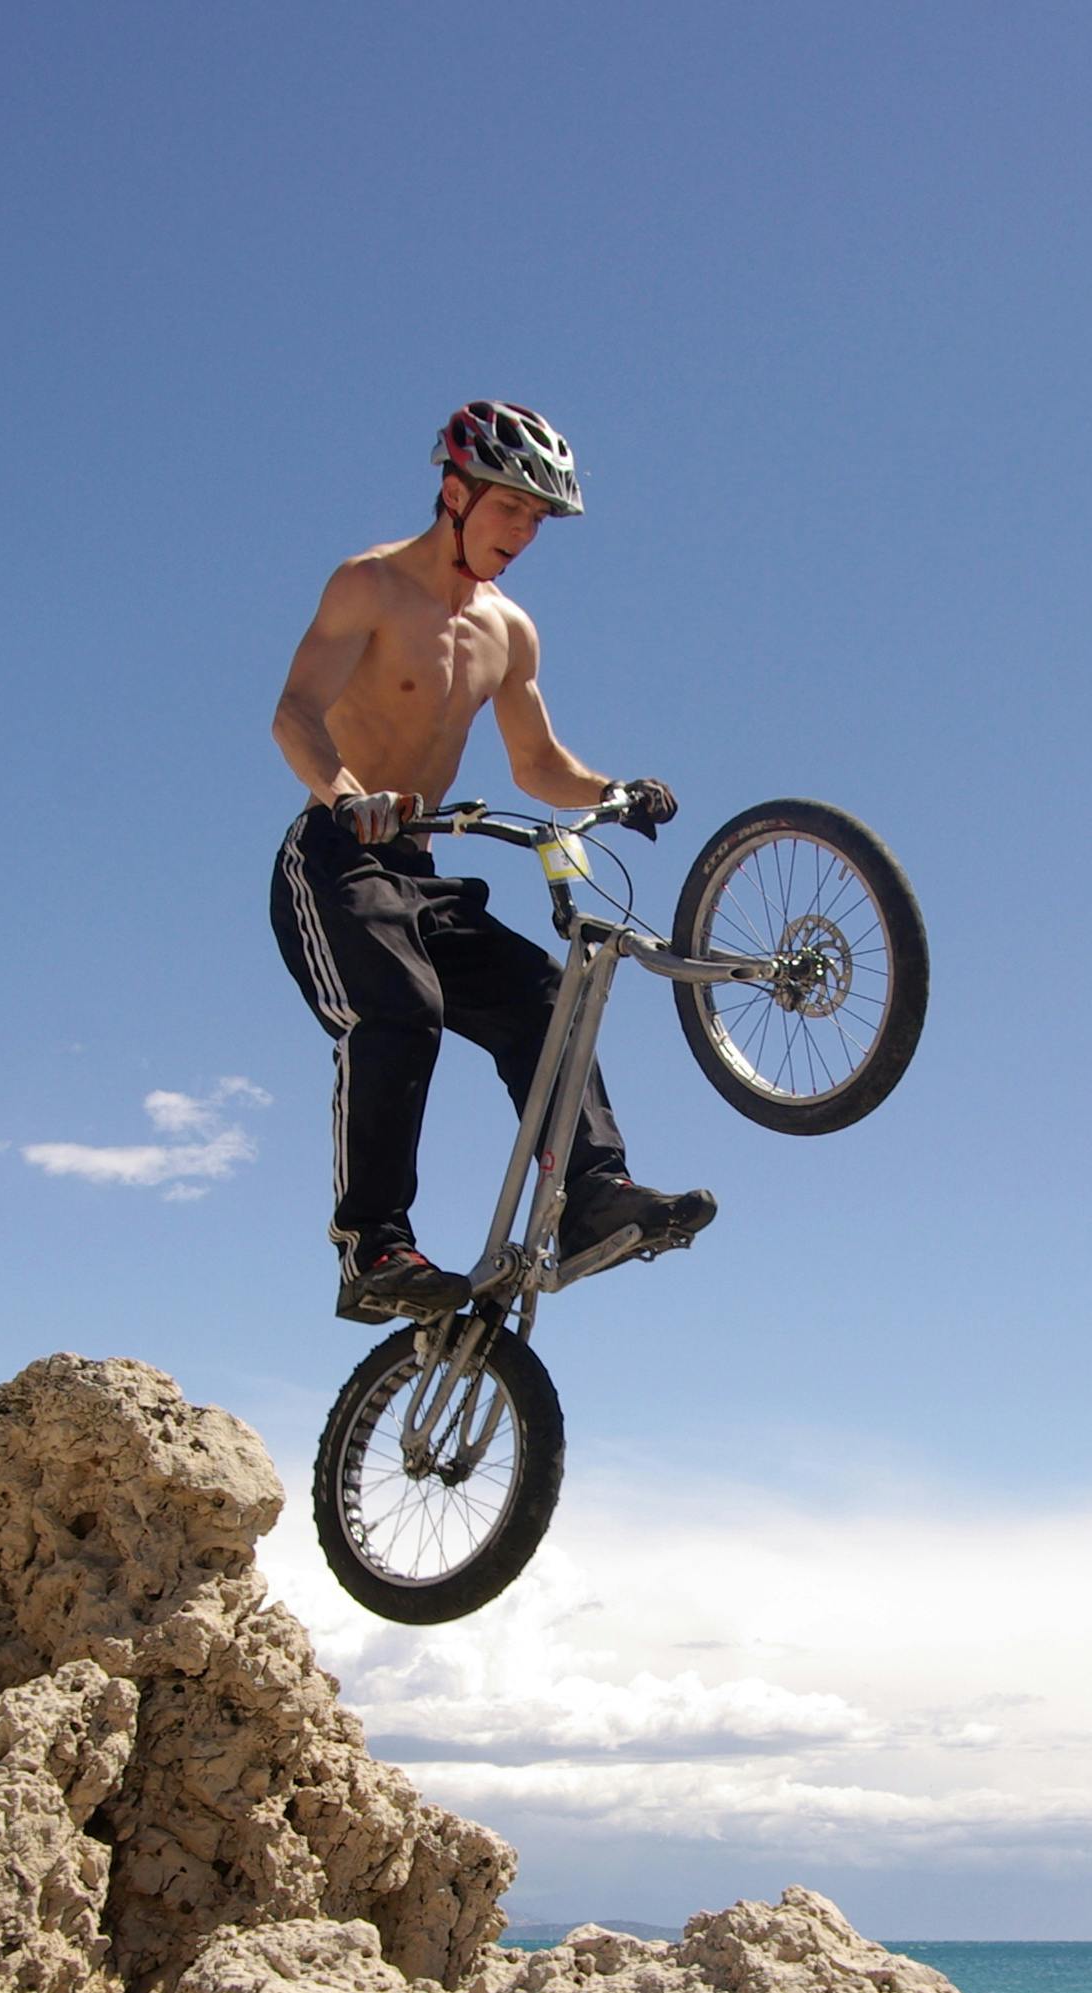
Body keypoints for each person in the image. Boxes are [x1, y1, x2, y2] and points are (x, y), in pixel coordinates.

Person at [267, 400, 715, 1324]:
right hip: (335, 859)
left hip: (424, 870)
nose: (524, 532)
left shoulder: (509, 628)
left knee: (546, 1002)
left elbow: (535, 764)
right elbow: (295, 714)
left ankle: (591, 1199)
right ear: (454, 490)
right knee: (401, 1008)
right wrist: (346, 795)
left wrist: (612, 790)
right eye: (511, 507)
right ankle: (374, 1247)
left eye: (539, 518)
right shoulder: (370, 585)